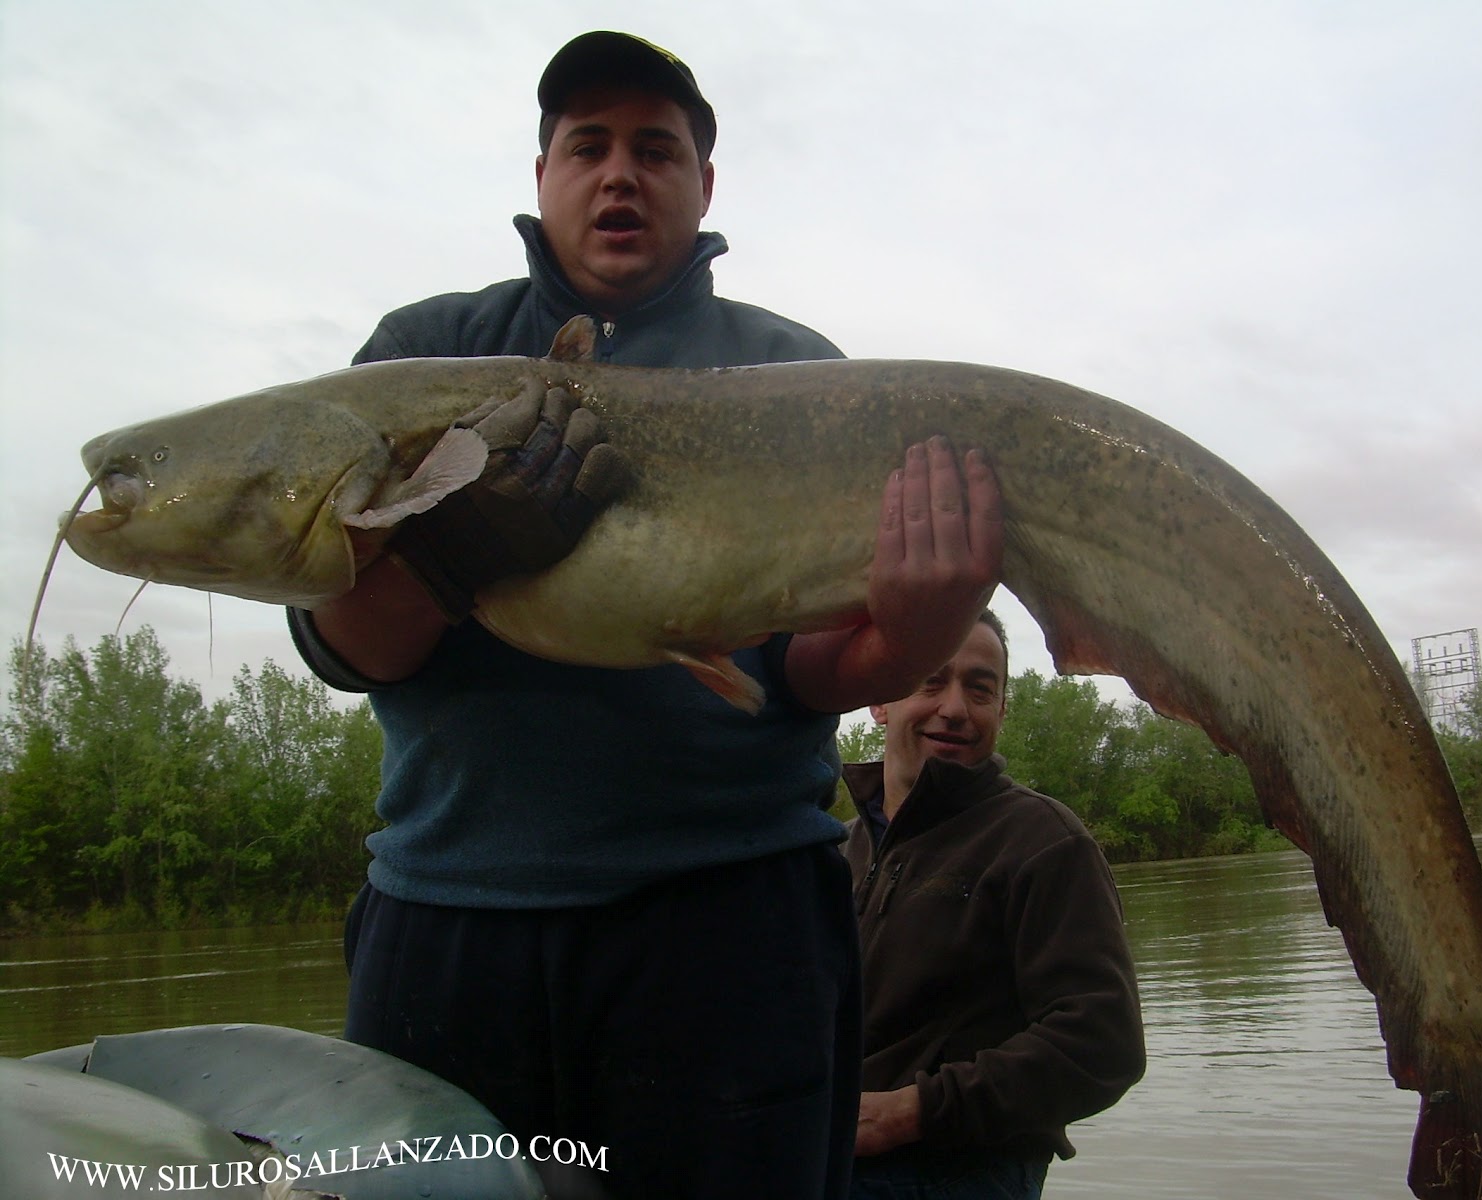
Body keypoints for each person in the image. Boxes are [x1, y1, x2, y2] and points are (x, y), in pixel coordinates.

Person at [286, 30, 1004, 1200]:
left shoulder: (798, 375)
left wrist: (914, 638)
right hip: (449, 926)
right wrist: (454, 556)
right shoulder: (421, 354)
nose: (620, 173)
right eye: (589, 146)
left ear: (703, 184)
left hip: (734, 930)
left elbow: (805, 668)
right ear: (542, 176)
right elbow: (347, 647)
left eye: (656, 150)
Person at [842, 611, 1145, 1200]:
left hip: (960, 1171)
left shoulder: (1043, 840)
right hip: (824, 1158)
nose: (954, 708)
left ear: (1002, 710)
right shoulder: (837, 851)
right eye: (931, 680)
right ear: (880, 699)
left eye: (980, 689)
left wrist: (912, 1111)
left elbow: (1104, 1043)